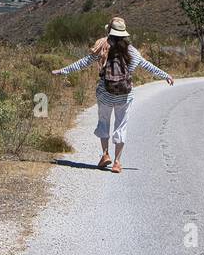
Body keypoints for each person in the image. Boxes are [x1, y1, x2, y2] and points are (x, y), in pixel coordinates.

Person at [51, 16, 173, 173]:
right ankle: (117, 162)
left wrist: (62, 71)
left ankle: (105, 154)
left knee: (104, 123)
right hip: (125, 95)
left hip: (105, 93)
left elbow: (83, 62)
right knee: (121, 126)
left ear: (110, 31)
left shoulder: (103, 48)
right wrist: (165, 75)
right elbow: (147, 66)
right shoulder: (132, 52)